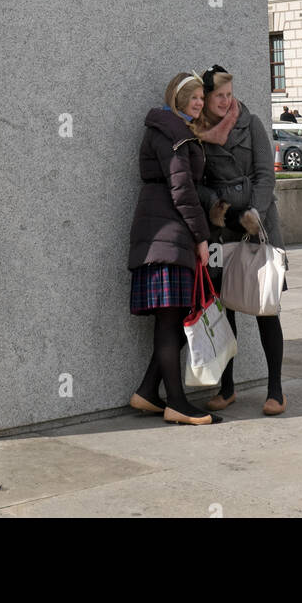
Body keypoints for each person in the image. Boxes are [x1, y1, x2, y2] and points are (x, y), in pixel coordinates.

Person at [127, 73, 223, 426]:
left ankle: (148, 392)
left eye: (202, 97)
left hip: (160, 235)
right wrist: (202, 238)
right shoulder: (174, 135)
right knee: (171, 321)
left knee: (176, 316)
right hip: (168, 236)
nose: (199, 102)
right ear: (178, 99)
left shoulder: (170, 129)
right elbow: (183, 192)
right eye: (193, 97)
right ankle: (177, 403)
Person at [194, 64, 287, 416]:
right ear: (205, 99)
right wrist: (224, 211)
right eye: (218, 96)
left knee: (266, 307)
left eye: (229, 95)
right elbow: (198, 183)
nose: (225, 101)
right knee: (225, 308)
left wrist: (255, 214)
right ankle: (227, 387)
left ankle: (275, 389)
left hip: (260, 225)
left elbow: (266, 175)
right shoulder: (198, 133)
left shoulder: (251, 123)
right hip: (224, 227)